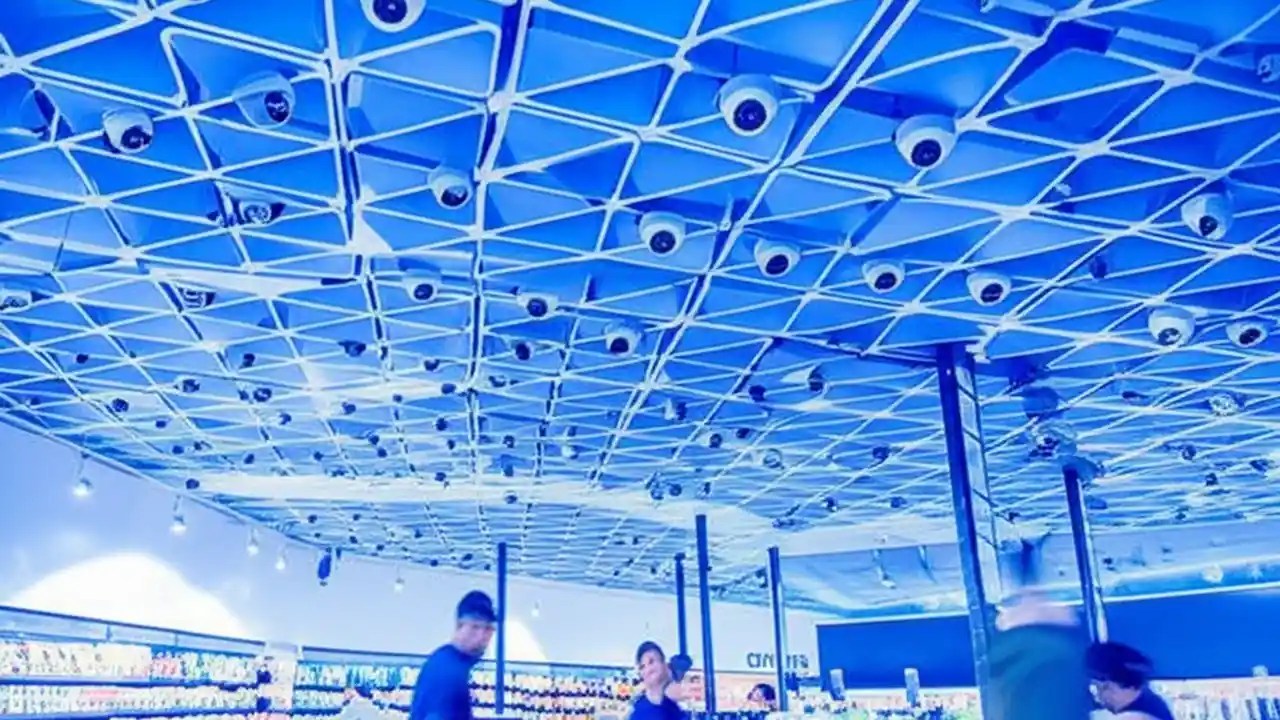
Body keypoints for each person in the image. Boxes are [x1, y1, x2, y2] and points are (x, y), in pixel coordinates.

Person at [408, 591, 498, 720]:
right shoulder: (447, 670)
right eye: (475, 627)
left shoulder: (448, 662)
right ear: (459, 626)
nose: (481, 637)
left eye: (488, 629)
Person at [1087, 642, 1175, 720]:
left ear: (1108, 685)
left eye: (1096, 687)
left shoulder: (1132, 717)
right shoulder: (1154, 702)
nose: (1098, 697)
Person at [630, 641, 684, 720]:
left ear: (664, 664)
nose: (648, 669)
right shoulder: (639, 711)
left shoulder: (681, 702)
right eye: (642, 667)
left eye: (651, 662)